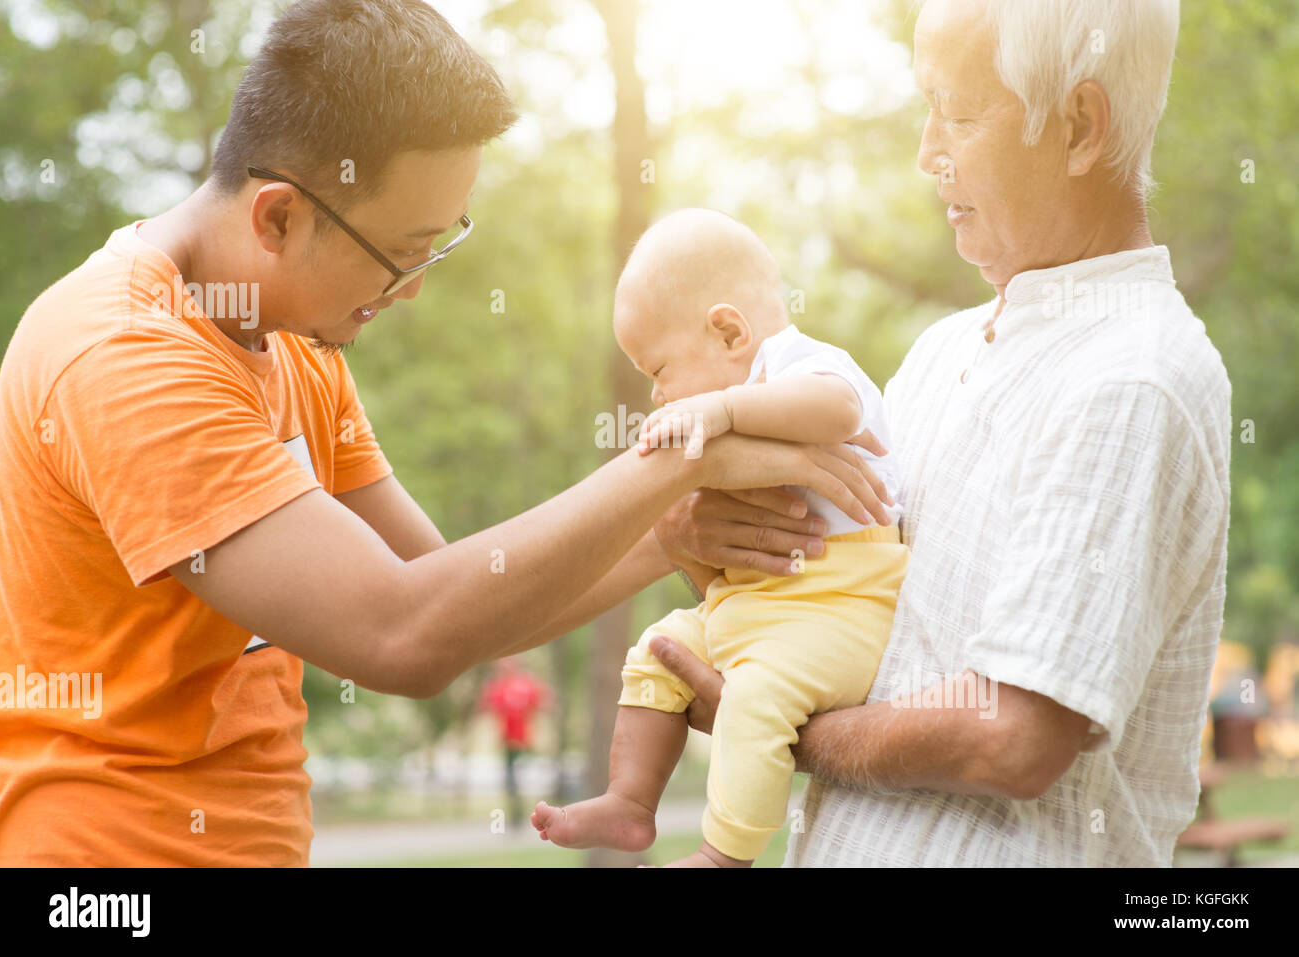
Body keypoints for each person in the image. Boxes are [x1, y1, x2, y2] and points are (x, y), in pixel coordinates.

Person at [0, 0, 887, 866]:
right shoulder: (124, 358)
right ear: (277, 216)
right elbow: (400, 636)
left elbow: (460, 602)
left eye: (440, 244)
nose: (415, 286)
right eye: (405, 249)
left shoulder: (297, 348)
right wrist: (679, 455)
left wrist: (671, 532)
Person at [650, 0, 1231, 866]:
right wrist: (698, 535)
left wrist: (768, 721)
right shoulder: (939, 354)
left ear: (1078, 125)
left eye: (957, 113)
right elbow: (845, 595)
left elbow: (1014, 737)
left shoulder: (1131, 378)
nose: (928, 153)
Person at [531, 210, 908, 867]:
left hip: (839, 606)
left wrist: (724, 410)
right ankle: (630, 799)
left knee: (755, 699)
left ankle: (724, 855)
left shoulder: (804, 364)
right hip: (762, 605)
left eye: (660, 369)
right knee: (658, 648)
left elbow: (839, 408)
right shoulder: (738, 409)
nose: (656, 395)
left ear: (729, 329)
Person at [480, 657, 550, 829]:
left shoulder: (526, 684)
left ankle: (532, 815)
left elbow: (542, 703)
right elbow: (488, 708)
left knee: (525, 780)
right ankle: (516, 817)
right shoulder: (497, 687)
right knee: (511, 782)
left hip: (524, 741)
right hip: (507, 742)